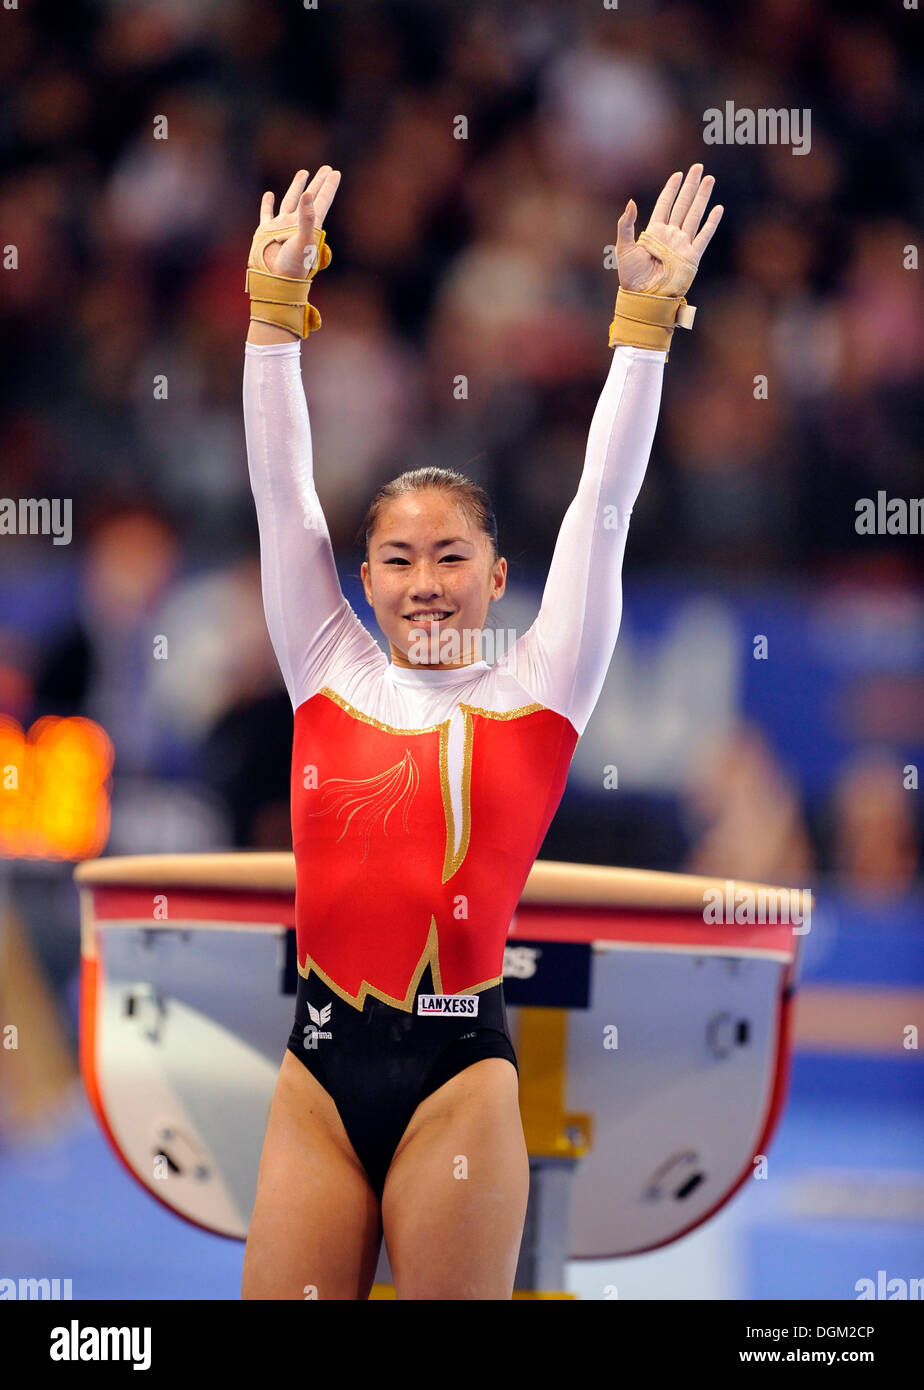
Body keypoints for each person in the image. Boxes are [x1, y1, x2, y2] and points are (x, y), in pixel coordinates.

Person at [240, 163, 722, 1300]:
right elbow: (281, 493)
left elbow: (605, 502)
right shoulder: (323, 664)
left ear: (499, 576)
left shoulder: (544, 688)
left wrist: (643, 325)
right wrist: (272, 318)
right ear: (360, 578)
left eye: (451, 556)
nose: (423, 583)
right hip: (315, 1075)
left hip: (458, 1078)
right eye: (397, 560)